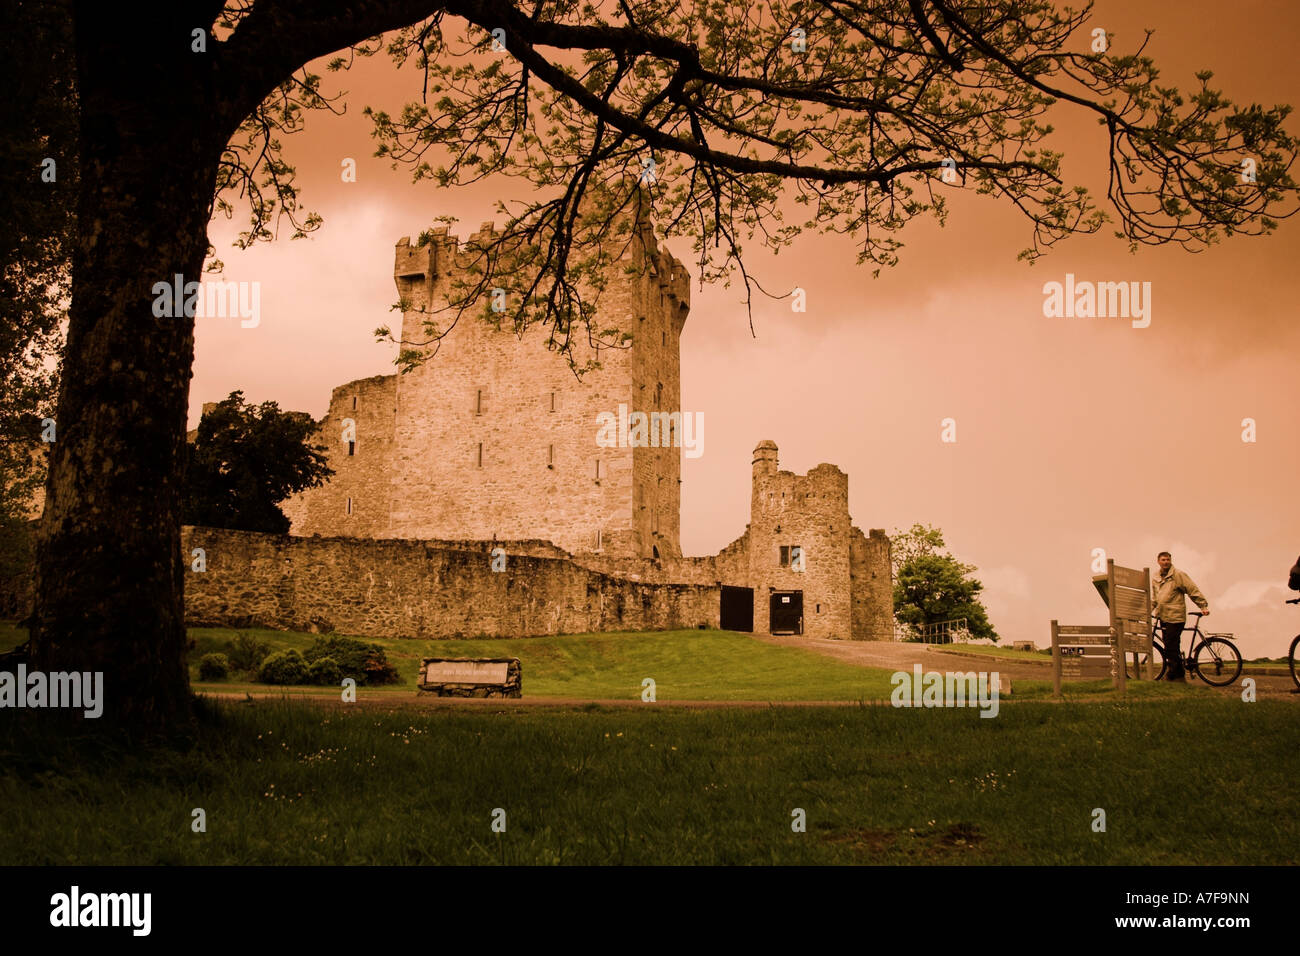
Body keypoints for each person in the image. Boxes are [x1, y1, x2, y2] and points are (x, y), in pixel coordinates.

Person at [1151, 551, 1209, 682]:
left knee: (1171, 646)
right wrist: (1148, 610)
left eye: (1168, 559)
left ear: (1170, 561)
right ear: (1158, 561)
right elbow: (1155, 598)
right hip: (1163, 616)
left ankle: (1178, 676)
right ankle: (1173, 673)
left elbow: (1192, 589)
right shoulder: (1155, 577)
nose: (1166, 562)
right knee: (1170, 646)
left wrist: (1203, 605)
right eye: (1163, 560)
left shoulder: (1178, 575)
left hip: (1176, 616)